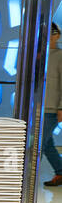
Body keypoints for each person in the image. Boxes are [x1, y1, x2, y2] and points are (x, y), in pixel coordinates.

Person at [43, 23, 62, 188]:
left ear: (58, 35)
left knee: (38, 143)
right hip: (37, 107)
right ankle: (60, 171)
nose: (50, 36)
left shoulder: (60, 55)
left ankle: (25, 178)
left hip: (51, 108)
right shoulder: (38, 56)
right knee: (47, 143)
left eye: (53, 32)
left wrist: (61, 107)